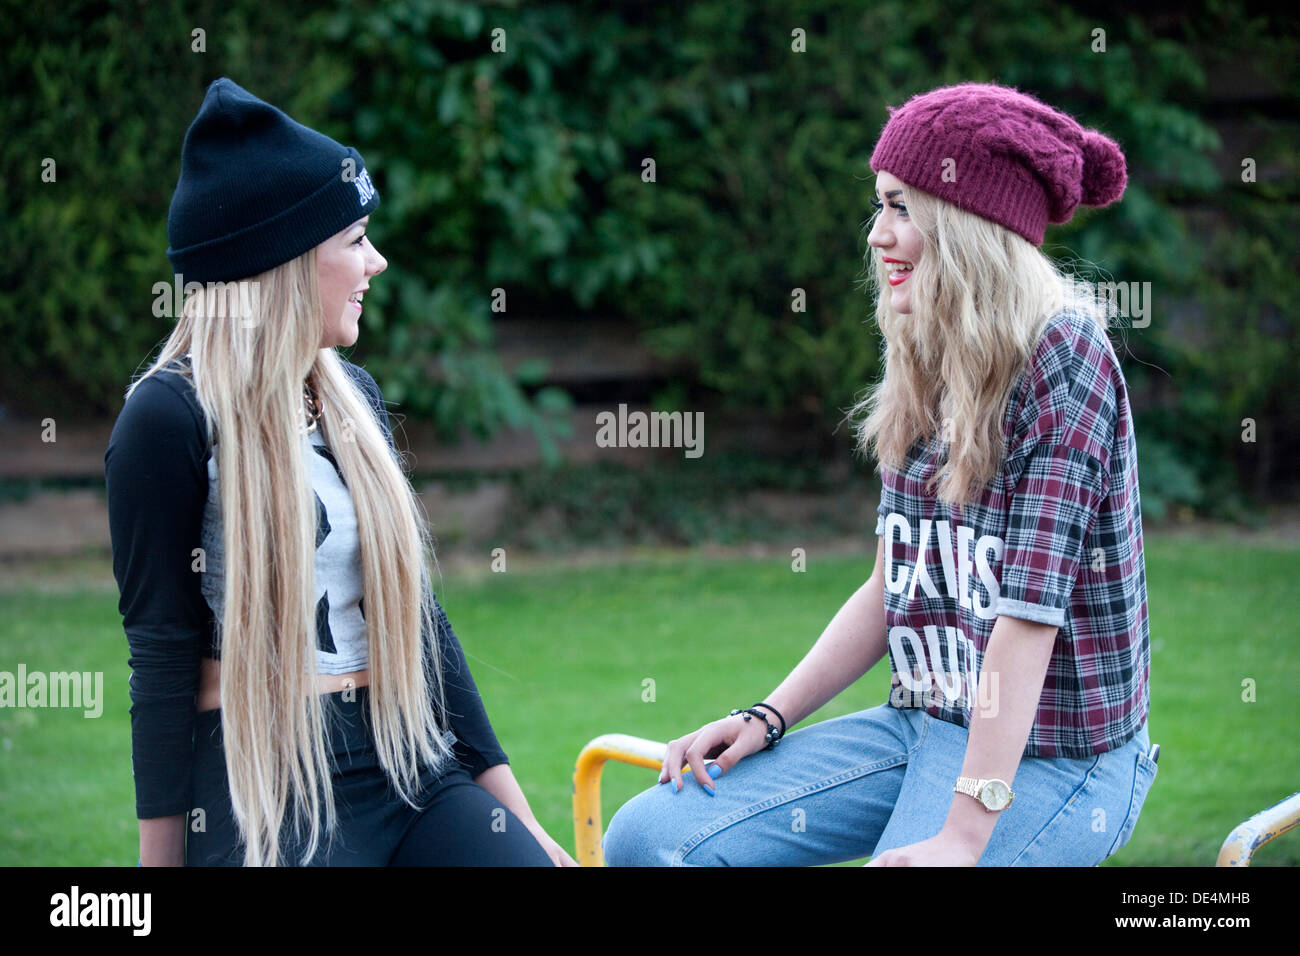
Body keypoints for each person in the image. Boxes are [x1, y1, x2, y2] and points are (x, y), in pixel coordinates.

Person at [602, 82, 1157, 867]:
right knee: (650, 838)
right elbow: (892, 583)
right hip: (927, 724)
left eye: (900, 207)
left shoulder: (1064, 358)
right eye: (879, 205)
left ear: (966, 224)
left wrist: (963, 838)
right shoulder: (927, 347)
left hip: (1059, 756)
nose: (877, 235)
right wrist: (767, 717)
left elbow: (1027, 620)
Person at [105, 77, 575, 867]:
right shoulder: (166, 420)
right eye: (355, 239)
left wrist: (525, 826)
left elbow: (425, 625)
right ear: (282, 263)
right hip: (265, 779)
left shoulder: (353, 395)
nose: (377, 262)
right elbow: (159, 650)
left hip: (406, 759)